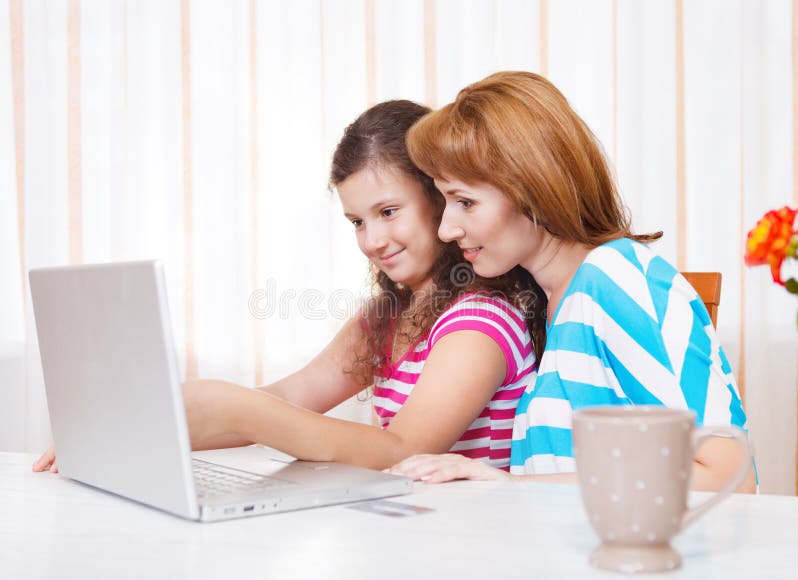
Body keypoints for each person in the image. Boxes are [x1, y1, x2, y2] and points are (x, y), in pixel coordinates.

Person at [33, 100, 538, 473]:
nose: (373, 240)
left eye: (388, 212)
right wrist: (124, 432)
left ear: (438, 199)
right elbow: (292, 396)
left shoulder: (479, 322)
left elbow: (406, 448)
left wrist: (247, 413)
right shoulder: (388, 315)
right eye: (357, 221)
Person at [386, 72, 755, 492]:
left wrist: (506, 487)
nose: (446, 229)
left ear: (534, 188)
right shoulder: (554, 304)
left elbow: (731, 477)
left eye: (465, 202)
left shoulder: (617, 277)